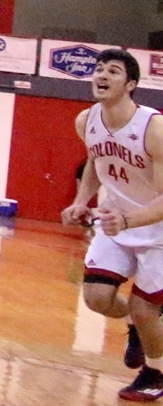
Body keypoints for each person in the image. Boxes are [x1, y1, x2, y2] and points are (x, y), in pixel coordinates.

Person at [61, 49, 163, 401]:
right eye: (99, 69)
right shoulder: (85, 120)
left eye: (113, 71)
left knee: (145, 308)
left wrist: (129, 219)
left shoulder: (154, 128)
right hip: (116, 222)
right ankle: (134, 327)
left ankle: (154, 372)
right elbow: (95, 161)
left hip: (157, 230)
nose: (101, 75)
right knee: (97, 297)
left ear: (131, 84)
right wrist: (81, 200)